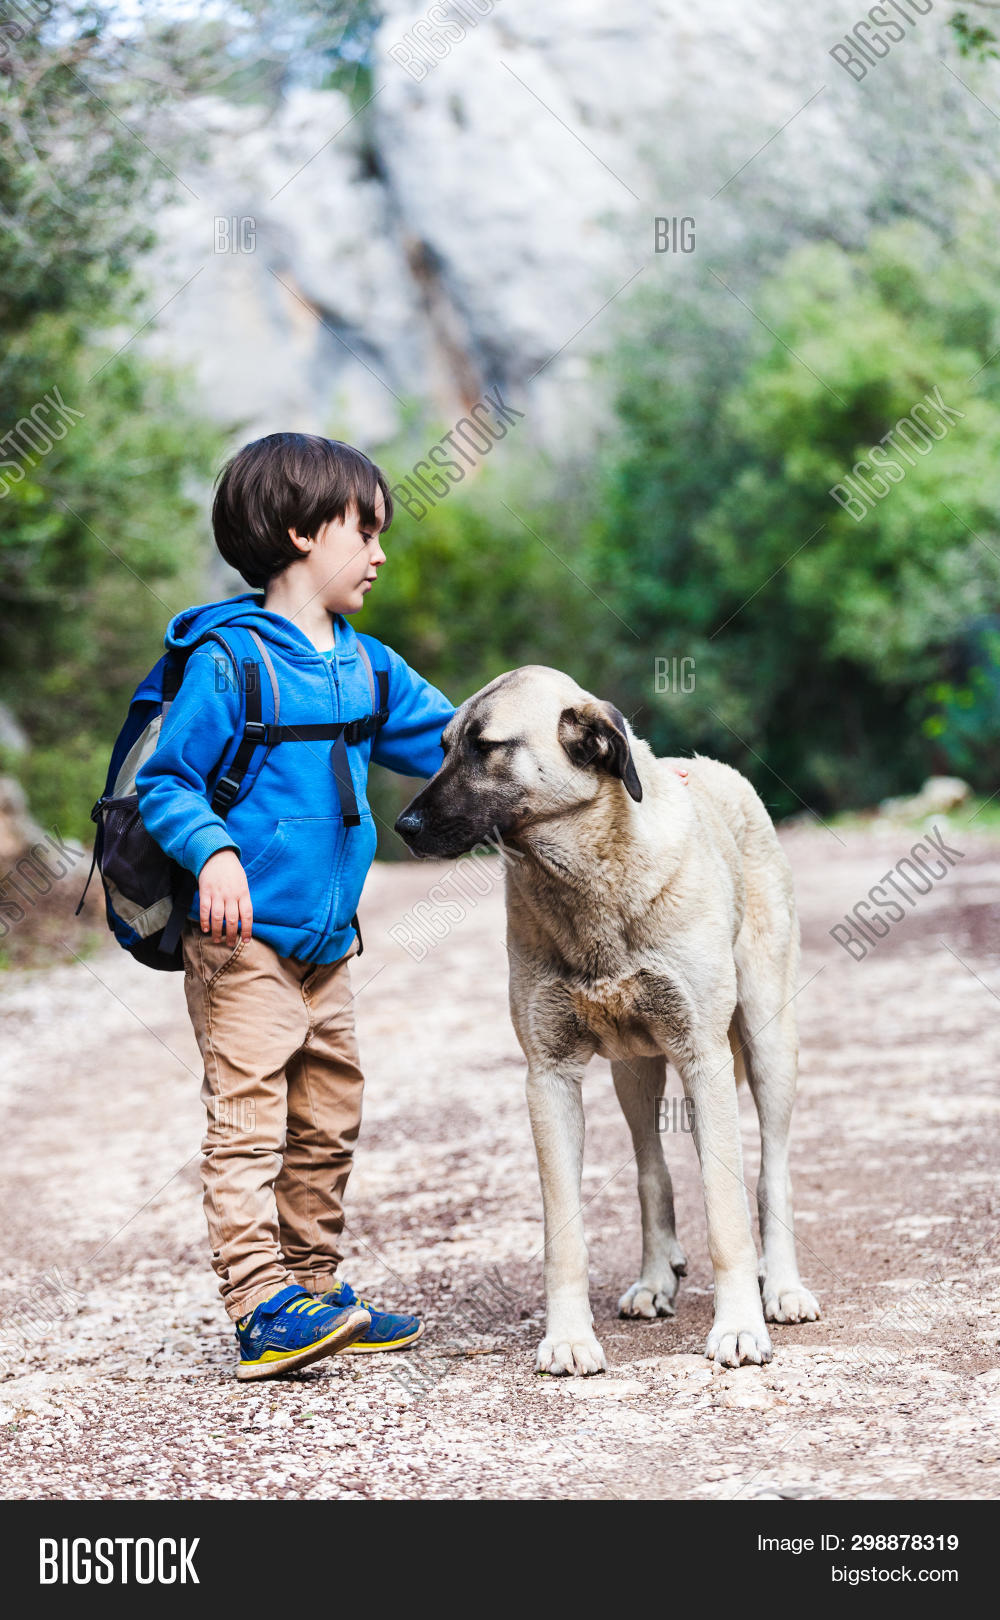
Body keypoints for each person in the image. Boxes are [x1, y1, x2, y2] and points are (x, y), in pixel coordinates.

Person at [136, 432, 456, 1380]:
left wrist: (582, 743)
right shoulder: (229, 661)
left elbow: (461, 737)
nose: (381, 554)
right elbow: (168, 783)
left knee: (327, 1118)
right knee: (250, 1122)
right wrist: (216, 852)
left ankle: (311, 1292)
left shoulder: (368, 665)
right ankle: (257, 1303)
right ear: (299, 533)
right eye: (367, 531)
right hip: (242, 945)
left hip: (328, 947)